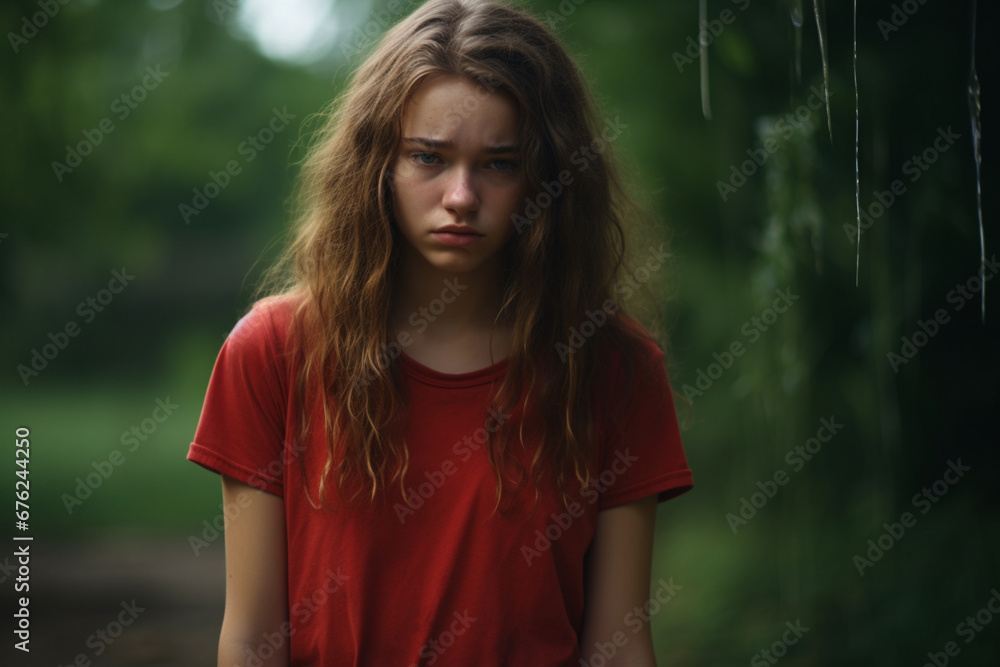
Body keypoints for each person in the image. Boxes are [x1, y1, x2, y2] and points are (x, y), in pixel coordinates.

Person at [186, 0, 694, 664]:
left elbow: (620, 647)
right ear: (378, 167)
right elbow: (253, 640)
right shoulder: (272, 354)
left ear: (550, 178)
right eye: (429, 157)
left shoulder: (615, 368)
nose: (461, 195)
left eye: (500, 163)